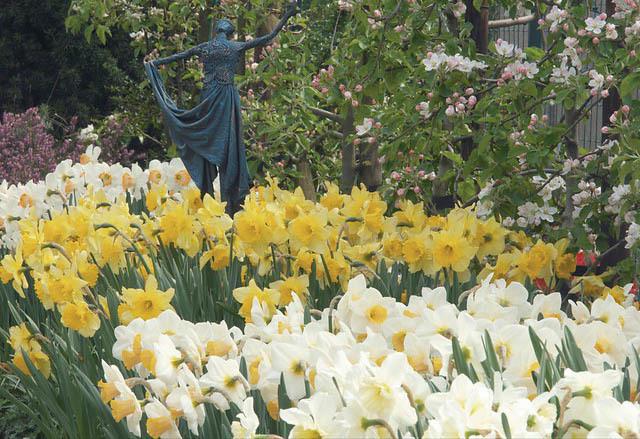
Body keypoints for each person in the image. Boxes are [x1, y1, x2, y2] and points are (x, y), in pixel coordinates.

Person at [145, 2, 298, 214]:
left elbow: (177, 58)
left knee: (209, 137)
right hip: (226, 98)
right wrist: (287, 15)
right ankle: (230, 200)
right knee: (229, 144)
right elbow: (268, 37)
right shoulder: (234, 46)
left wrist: (154, 64)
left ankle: (209, 189)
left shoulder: (205, 47)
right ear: (230, 33)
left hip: (208, 98)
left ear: (217, 31)